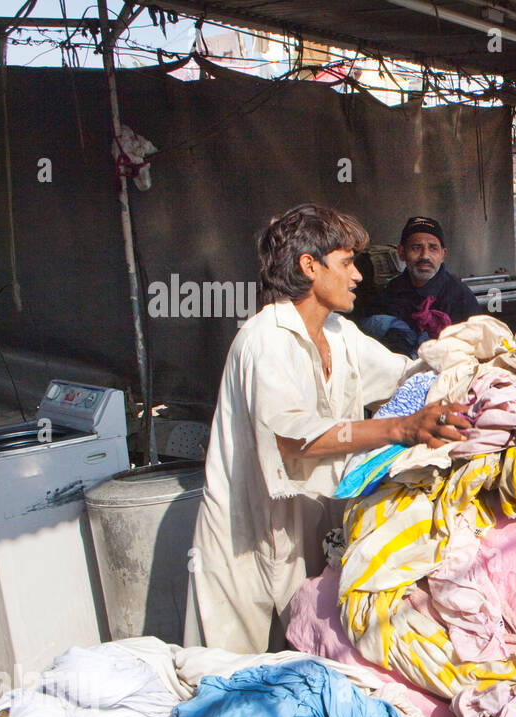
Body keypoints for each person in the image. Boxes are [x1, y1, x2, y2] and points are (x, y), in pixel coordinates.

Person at [185, 203, 470, 655]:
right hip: (248, 538)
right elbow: (298, 438)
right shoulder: (265, 341)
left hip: (312, 525)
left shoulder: (339, 332)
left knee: (311, 661)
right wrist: (402, 429)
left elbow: (404, 372)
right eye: (346, 263)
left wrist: (465, 358)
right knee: (238, 678)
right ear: (309, 266)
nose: (357, 276)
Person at [358, 216, 483, 356]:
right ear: (401, 253)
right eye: (416, 248)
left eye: (433, 248)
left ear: (443, 255)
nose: (425, 256)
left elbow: (475, 346)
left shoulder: (459, 296)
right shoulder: (391, 290)